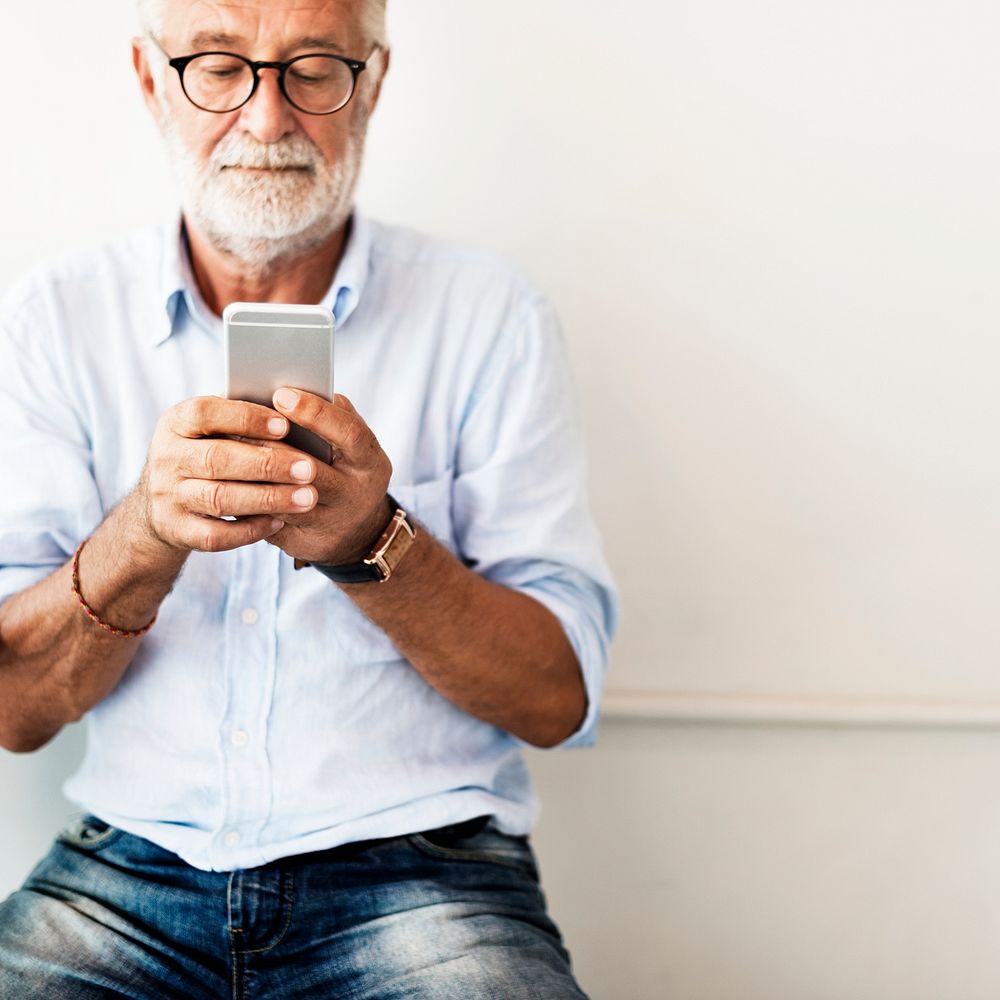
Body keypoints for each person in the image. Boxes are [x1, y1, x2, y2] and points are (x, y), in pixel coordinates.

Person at [0, 0, 617, 996]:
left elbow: (555, 697)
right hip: (129, 870)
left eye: (313, 68)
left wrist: (377, 543)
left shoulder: (490, 316)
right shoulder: (50, 320)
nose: (266, 117)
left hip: (423, 875)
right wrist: (144, 534)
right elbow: (13, 710)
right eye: (218, 66)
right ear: (150, 78)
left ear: (371, 84)